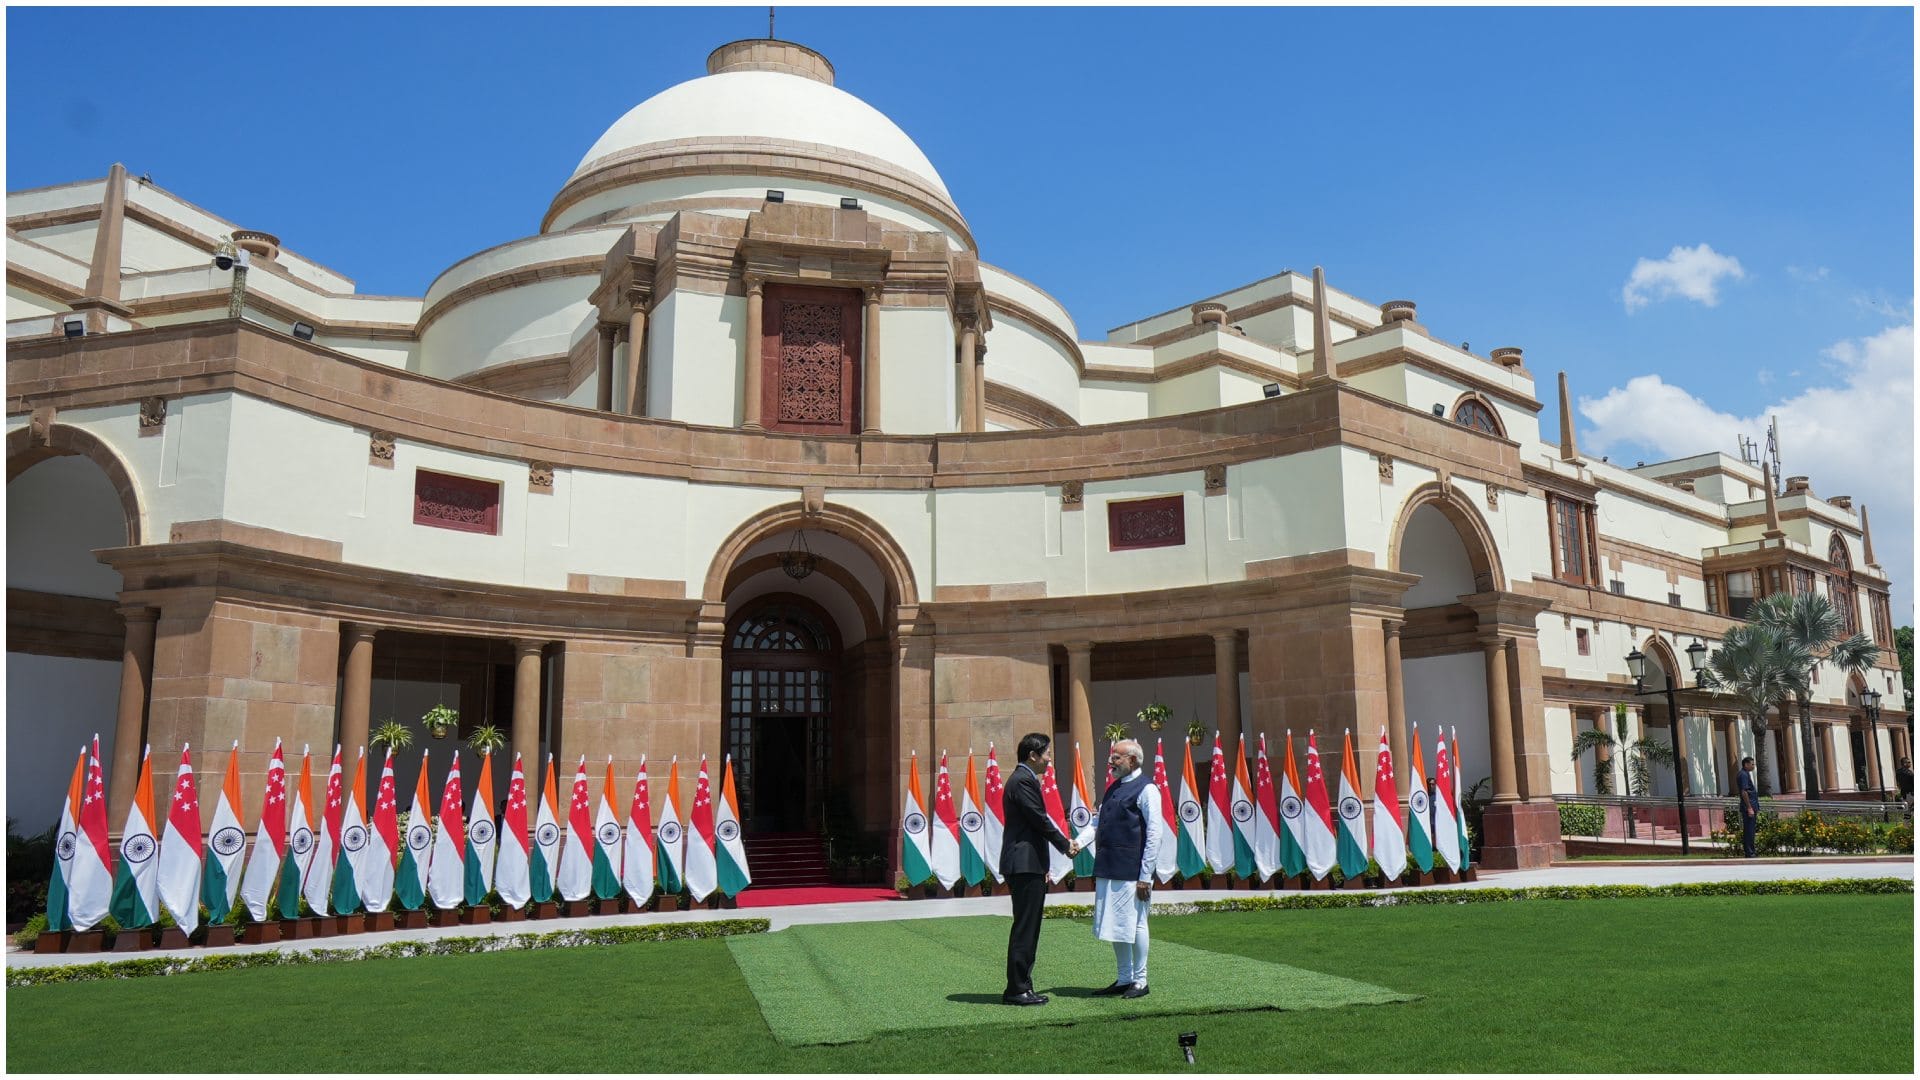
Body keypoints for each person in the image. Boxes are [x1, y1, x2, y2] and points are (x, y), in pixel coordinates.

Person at [1000, 732, 1076, 1006]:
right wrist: (1065, 845)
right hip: (1023, 864)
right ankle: (1017, 988)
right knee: (1026, 928)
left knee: (1028, 927)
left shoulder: (1024, 779)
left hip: (1028, 863)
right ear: (1032, 755)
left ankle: (1022, 986)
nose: (1049, 760)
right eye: (1046, 754)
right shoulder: (1022, 781)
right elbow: (1039, 820)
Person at [1089, 739, 1162, 1000]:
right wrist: (1075, 843)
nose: (1111, 762)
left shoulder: (1147, 789)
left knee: (1137, 924)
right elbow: (1098, 823)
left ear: (1132, 760)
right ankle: (1124, 978)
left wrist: (1145, 876)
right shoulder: (1113, 789)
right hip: (1109, 867)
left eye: (1116, 757)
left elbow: (1155, 833)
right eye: (1112, 757)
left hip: (1133, 872)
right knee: (1115, 924)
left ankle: (1141, 980)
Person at [1736, 756, 1760, 858]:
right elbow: (1744, 792)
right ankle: (1749, 852)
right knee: (1749, 830)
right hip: (1749, 807)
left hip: (1752, 805)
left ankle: (1751, 851)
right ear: (1746, 764)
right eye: (1752, 764)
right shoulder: (1743, 775)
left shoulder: (1746, 774)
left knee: (1751, 830)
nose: (1754, 766)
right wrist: (1749, 807)